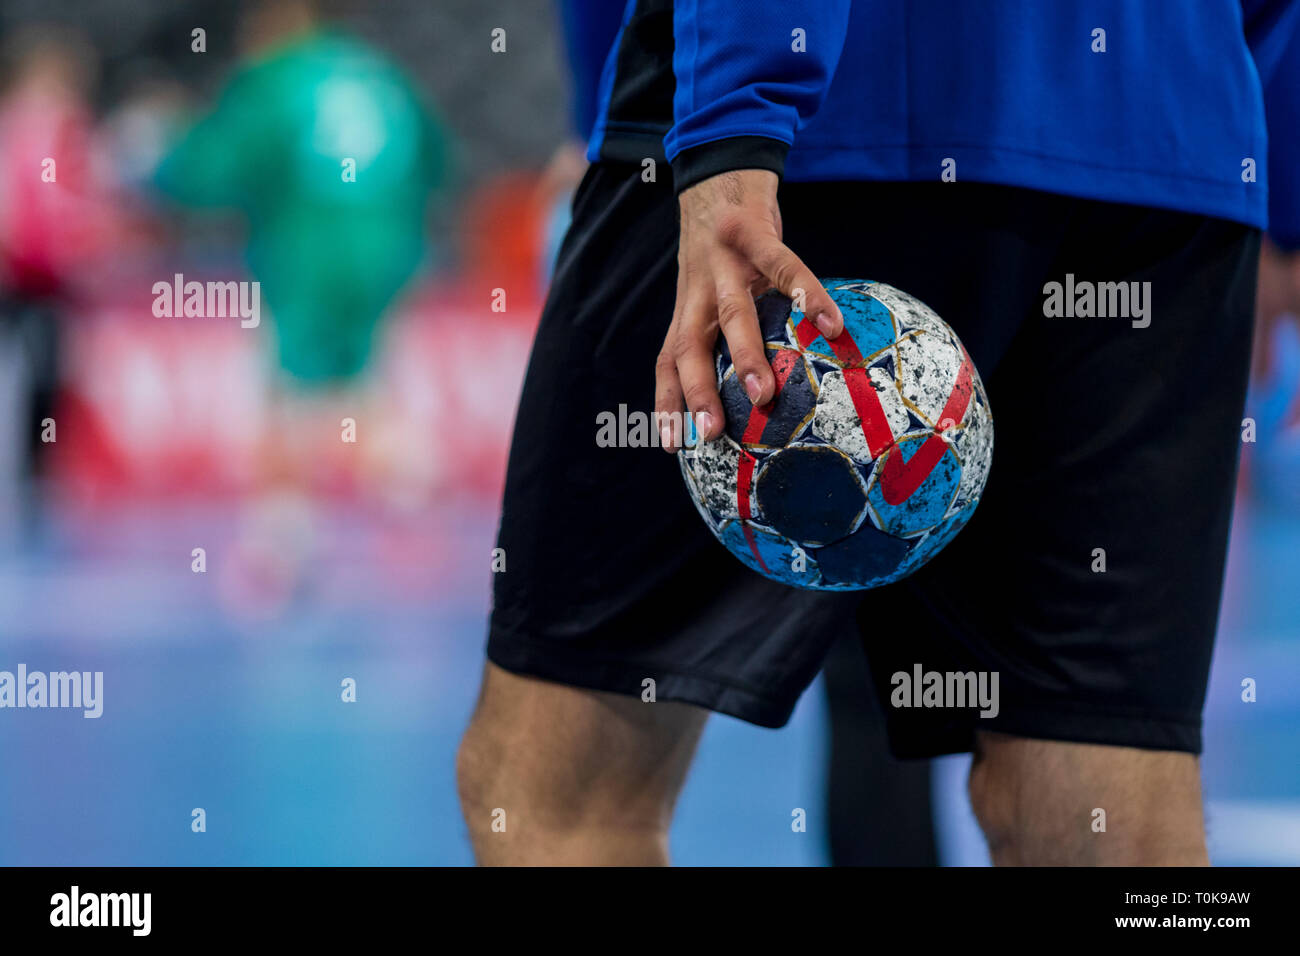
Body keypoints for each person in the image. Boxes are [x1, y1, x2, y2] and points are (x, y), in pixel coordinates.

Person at [459, 0, 1300, 865]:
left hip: (823, 127)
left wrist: (730, 126)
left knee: (558, 791)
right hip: (1170, 128)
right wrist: (1283, 176)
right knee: (1114, 808)